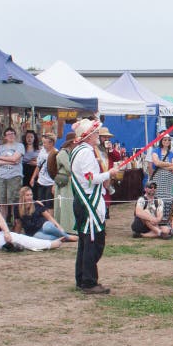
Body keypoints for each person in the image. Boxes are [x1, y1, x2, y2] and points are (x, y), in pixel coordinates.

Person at [70, 118, 120, 294]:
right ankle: (89, 281)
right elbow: (91, 179)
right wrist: (109, 173)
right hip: (88, 202)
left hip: (84, 200)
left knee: (85, 243)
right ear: (89, 136)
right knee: (94, 242)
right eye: (96, 132)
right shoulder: (86, 153)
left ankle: (83, 278)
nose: (98, 135)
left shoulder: (80, 151)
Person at [0, 186, 63, 251]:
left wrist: (6, 232)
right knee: (18, 238)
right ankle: (49, 244)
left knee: (15, 236)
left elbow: (0, 219)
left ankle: (48, 243)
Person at [146, 131, 173, 227]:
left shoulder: (172, 153)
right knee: (157, 198)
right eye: (164, 139)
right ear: (161, 141)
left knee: (168, 199)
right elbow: (156, 163)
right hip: (158, 178)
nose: (166, 141)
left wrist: (162, 164)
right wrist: (169, 165)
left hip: (168, 179)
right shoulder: (155, 150)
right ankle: (156, 220)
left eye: (168, 140)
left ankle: (165, 221)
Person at [0, 127, 24, 222]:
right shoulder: (0, 147)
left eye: (12, 133)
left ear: (15, 135)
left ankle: (14, 221)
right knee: (2, 201)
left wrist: (1, 158)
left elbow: (16, 159)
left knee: (14, 200)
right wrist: (10, 160)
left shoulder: (20, 146)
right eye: (8, 134)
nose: (10, 136)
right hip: (1, 176)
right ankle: (3, 222)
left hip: (14, 176)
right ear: (5, 137)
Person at [53, 132, 77, 234]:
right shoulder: (63, 153)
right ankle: (66, 228)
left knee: (69, 205)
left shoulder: (70, 153)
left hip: (68, 183)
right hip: (64, 183)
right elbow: (69, 168)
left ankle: (70, 227)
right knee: (64, 205)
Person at [30, 133, 57, 210]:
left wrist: (55, 184)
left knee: (50, 205)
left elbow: (57, 170)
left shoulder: (55, 153)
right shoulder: (42, 151)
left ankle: (50, 220)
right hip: (41, 181)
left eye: (45, 143)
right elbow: (38, 166)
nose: (43, 145)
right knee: (40, 203)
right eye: (43, 142)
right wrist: (33, 178)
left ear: (51, 143)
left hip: (50, 182)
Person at [21, 130, 40, 198]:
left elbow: (40, 162)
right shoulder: (21, 148)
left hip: (34, 171)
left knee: (34, 190)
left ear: (34, 138)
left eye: (31, 137)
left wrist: (35, 162)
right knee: (24, 189)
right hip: (23, 171)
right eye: (28, 137)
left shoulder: (38, 150)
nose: (29, 139)